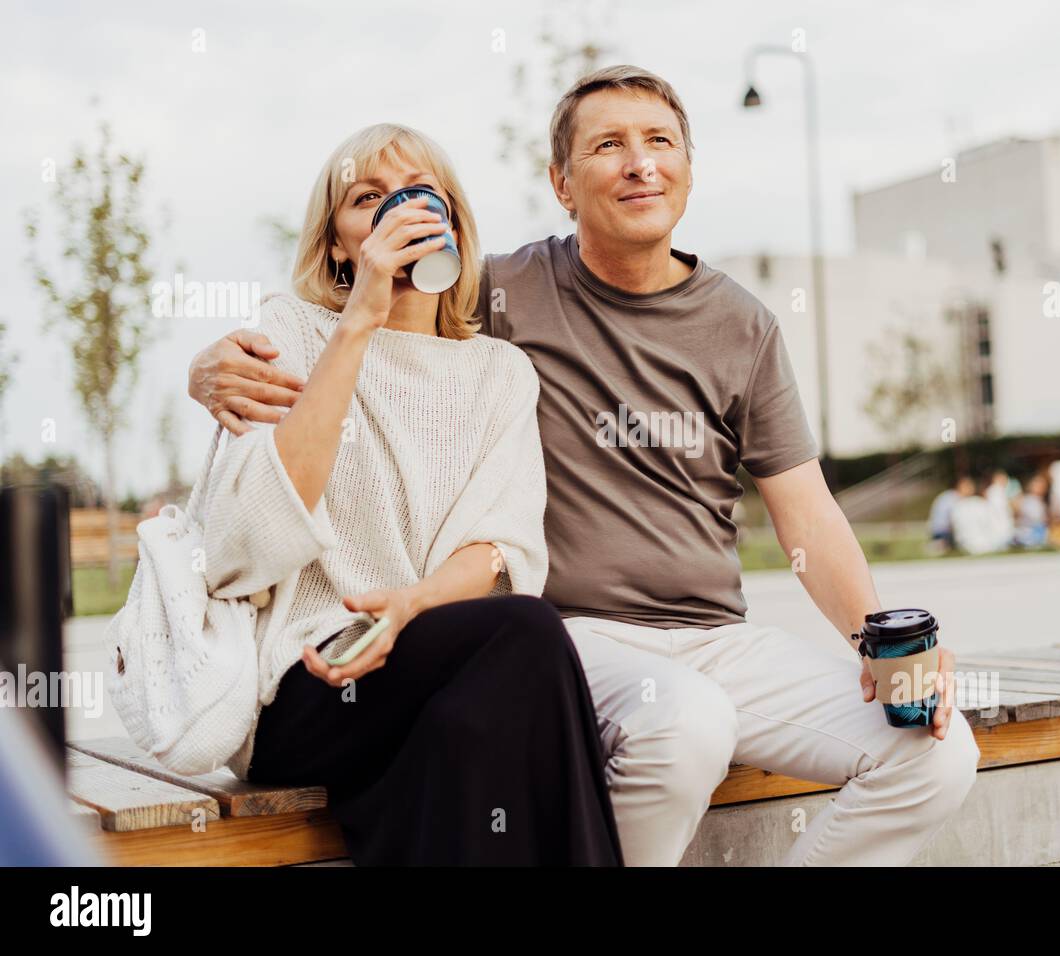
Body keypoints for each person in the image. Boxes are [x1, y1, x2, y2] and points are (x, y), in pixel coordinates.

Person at [187, 66, 979, 867]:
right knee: (685, 729)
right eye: (609, 146)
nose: (640, 164)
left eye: (659, 142)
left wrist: (876, 640)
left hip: (717, 637)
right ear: (561, 184)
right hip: (572, 636)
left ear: (689, 170)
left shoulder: (745, 326)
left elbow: (807, 512)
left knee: (938, 753)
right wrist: (212, 366)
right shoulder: (498, 293)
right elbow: (371, 314)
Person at [197, 123, 622, 865]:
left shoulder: (499, 372)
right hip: (314, 681)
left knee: (465, 730)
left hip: (442, 663)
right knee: (525, 638)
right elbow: (251, 539)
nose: (398, 212)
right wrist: (359, 319)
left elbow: (500, 548)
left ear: (450, 225)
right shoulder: (290, 331)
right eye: (368, 199)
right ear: (336, 243)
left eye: (419, 196)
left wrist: (410, 607)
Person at [1012, 472, 1049, 548]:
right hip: (1026, 532)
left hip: (1038, 532)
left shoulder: (1041, 502)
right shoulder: (1025, 500)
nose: (1039, 487)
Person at [927, 479, 961, 552]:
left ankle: (941, 544)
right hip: (943, 531)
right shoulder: (953, 498)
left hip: (938, 530)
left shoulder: (948, 495)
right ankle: (942, 544)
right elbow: (952, 520)